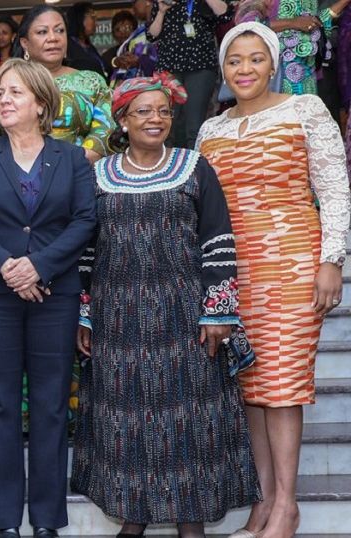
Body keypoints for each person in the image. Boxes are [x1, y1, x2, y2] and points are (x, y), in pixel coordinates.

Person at [71, 72, 261, 538]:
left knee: (188, 417)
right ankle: (132, 517)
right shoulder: (97, 176)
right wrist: (84, 312)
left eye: (163, 111)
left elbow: (217, 241)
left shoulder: (194, 167)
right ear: (122, 119)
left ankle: (190, 521)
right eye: (143, 111)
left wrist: (217, 312)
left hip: (184, 316)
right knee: (126, 417)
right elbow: (86, 251)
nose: (154, 119)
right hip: (118, 318)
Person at [197, 22, 350, 538]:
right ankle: (262, 503)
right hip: (233, 272)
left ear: (274, 62)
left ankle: (287, 506)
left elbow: (333, 189)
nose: (245, 69)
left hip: (292, 263)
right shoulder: (211, 129)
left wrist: (333, 260)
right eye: (235, 60)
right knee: (250, 384)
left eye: (255, 58)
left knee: (282, 384)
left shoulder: (305, 109)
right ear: (223, 68)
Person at [0, 59, 97, 538]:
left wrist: (41, 265)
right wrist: (9, 268)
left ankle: (48, 520)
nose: (4, 100)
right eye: (1, 94)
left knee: (53, 404)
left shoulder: (71, 158)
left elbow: (85, 222)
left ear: (40, 103)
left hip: (56, 294)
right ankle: (6, 520)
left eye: (15, 93)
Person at [0, 5, 116, 164]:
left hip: (79, 174)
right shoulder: (6, 84)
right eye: (42, 32)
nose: (53, 38)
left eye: (59, 30)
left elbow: (105, 133)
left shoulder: (91, 82)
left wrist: (68, 165)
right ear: (25, 42)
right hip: (16, 178)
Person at [148, 0, 233, 148]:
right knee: (166, 121)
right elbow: (151, 35)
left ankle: (194, 166)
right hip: (169, 69)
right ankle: (165, 166)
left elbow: (225, 14)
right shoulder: (163, 2)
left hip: (200, 67)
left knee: (195, 124)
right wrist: (161, 11)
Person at [236, 0, 349, 95]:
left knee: (304, 116)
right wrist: (293, 23)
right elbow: (247, 24)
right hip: (278, 73)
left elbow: (314, 22)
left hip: (307, 73)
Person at [108, 0, 158, 87]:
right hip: (129, 89)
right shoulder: (139, 31)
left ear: (147, 2)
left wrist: (139, 61)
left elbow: (161, 60)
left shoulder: (162, 28)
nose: (133, 6)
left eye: (135, 1)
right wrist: (119, 61)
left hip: (149, 89)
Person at [66, 2, 109, 78]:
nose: (96, 24)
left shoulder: (89, 47)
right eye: (92, 18)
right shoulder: (67, 45)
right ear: (80, 18)